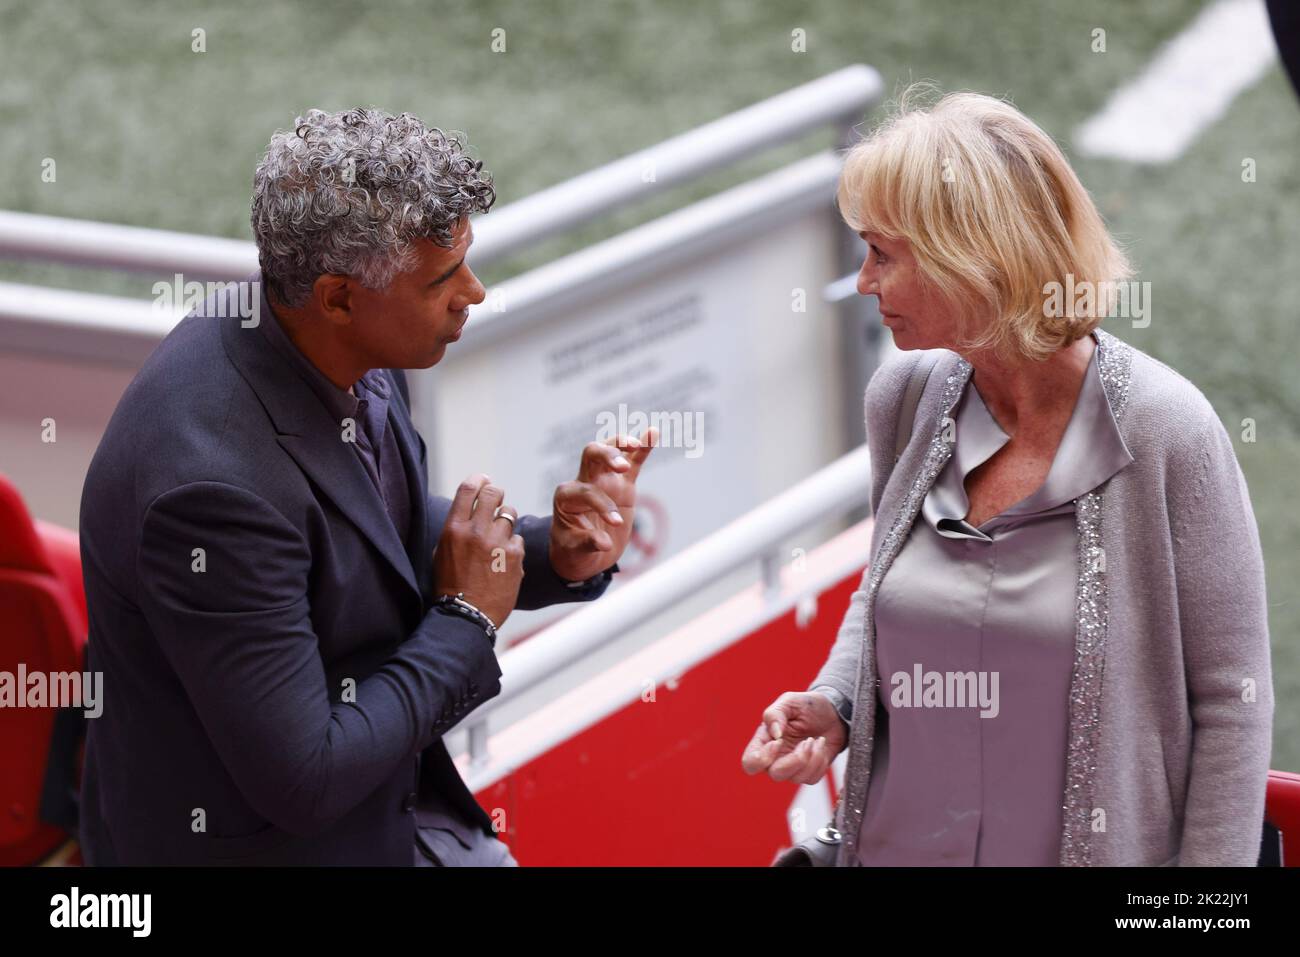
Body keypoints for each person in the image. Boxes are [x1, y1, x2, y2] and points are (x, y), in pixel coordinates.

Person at [78, 108, 655, 865]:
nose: (474, 294)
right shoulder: (211, 494)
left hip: (381, 813)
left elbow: (373, 533)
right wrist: (467, 619)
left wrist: (558, 555)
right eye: (443, 280)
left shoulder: (326, 338)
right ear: (340, 297)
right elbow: (306, 776)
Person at [742, 87, 1273, 866]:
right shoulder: (905, 397)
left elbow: (1232, 702)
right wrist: (837, 700)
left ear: (973, 259)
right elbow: (880, 595)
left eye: (883, 254)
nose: (863, 281)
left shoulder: (1167, 429)